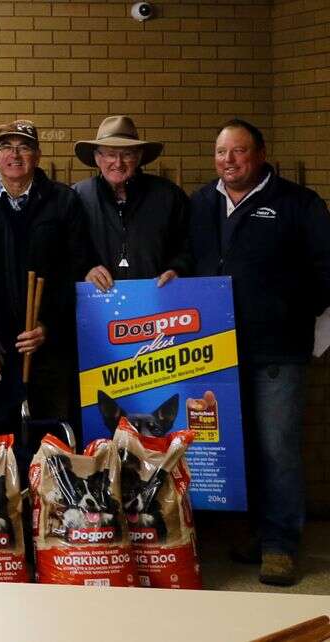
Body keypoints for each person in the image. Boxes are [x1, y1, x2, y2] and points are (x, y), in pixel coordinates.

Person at [188, 119, 330, 586]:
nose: (229, 161)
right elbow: (186, 263)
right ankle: (256, 532)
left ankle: (281, 544)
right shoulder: (202, 204)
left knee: (277, 449)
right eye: (221, 152)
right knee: (240, 447)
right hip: (217, 354)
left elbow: (325, 269)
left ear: (262, 153)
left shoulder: (298, 203)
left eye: (239, 151)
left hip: (277, 351)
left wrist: (292, 310)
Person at [0, 120, 85, 422]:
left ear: (38, 155)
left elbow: (74, 272)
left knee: (51, 436)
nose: (14, 155)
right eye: (6, 147)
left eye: (24, 148)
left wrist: (48, 327)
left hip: (50, 347)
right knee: (0, 437)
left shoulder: (64, 201)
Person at [72, 115, 189, 291]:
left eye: (127, 154)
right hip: (98, 303)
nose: (118, 163)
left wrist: (178, 269)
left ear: (139, 156)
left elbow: (189, 244)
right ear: (97, 158)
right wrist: (85, 268)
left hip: (158, 300)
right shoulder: (78, 197)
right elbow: (65, 249)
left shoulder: (169, 195)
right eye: (110, 154)